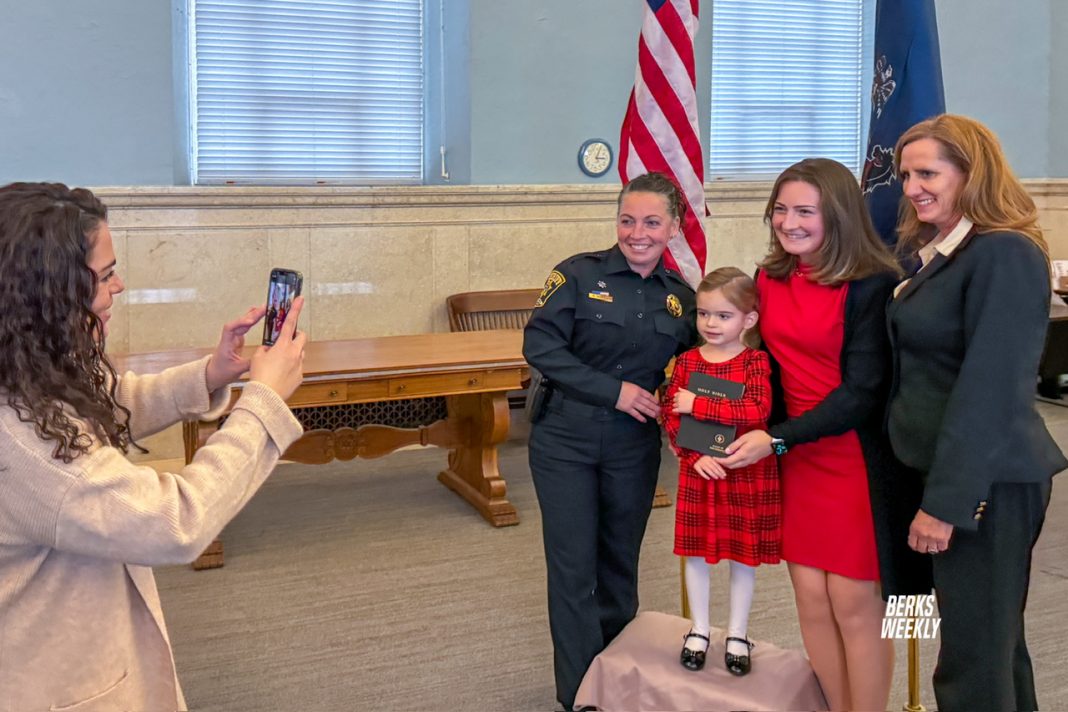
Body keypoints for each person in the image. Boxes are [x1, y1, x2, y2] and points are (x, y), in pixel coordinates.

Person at [0, 182, 307, 710]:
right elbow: (175, 520)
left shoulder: (22, 367)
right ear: (48, 293)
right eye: (104, 275)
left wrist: (211, 375)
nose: (119, 285)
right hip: (56, 677)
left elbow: (95, 407)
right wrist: (263, 402)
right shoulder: (24, 448)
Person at [718, 158, 930, 711]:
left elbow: (862, 393)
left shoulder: (874, 283)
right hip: (795, 457)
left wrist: (779, 438)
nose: (789, 222)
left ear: (837, 215)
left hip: (854, 459)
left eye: (804, 210)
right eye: (781, 209)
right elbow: (765, 368)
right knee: (810, 599)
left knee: (854, 603)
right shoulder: (769, 277)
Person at [888, 114, 1067, 711]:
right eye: (906, 173)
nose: (913, 186)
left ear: (972, 173)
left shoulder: (1005, 253)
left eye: (928, 172)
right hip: (947, 474)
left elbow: (991, 390)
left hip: (984, 486)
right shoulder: (943, 252)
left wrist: (945, 507)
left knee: (971, 660)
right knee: (991, 648)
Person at [523, 172, 698, 711]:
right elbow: (540, 346)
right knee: (574, 568)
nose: (637, 233)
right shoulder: (576, 274)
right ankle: (579, 696)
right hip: (565, 438)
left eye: (651, 222)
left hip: (632, 445)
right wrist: (614, 390)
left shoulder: (682, 299)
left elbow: (697, 369)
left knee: (620, 564)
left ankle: (617, 682)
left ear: (673, 227)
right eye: (627, 220)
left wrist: (701, 430)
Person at [662, 267, 780, 676]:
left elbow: (756, 412)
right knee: (695, 554)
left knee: (741, 558)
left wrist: (699, 405)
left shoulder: (755, 362)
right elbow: (670, 416)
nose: (711, 324)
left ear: (749, 319)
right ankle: (698, 629)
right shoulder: (687, 361)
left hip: (744, 472)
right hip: (700, 472)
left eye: (724, 316)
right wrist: (693, 456)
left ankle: (737, 632)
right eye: (704, 314)